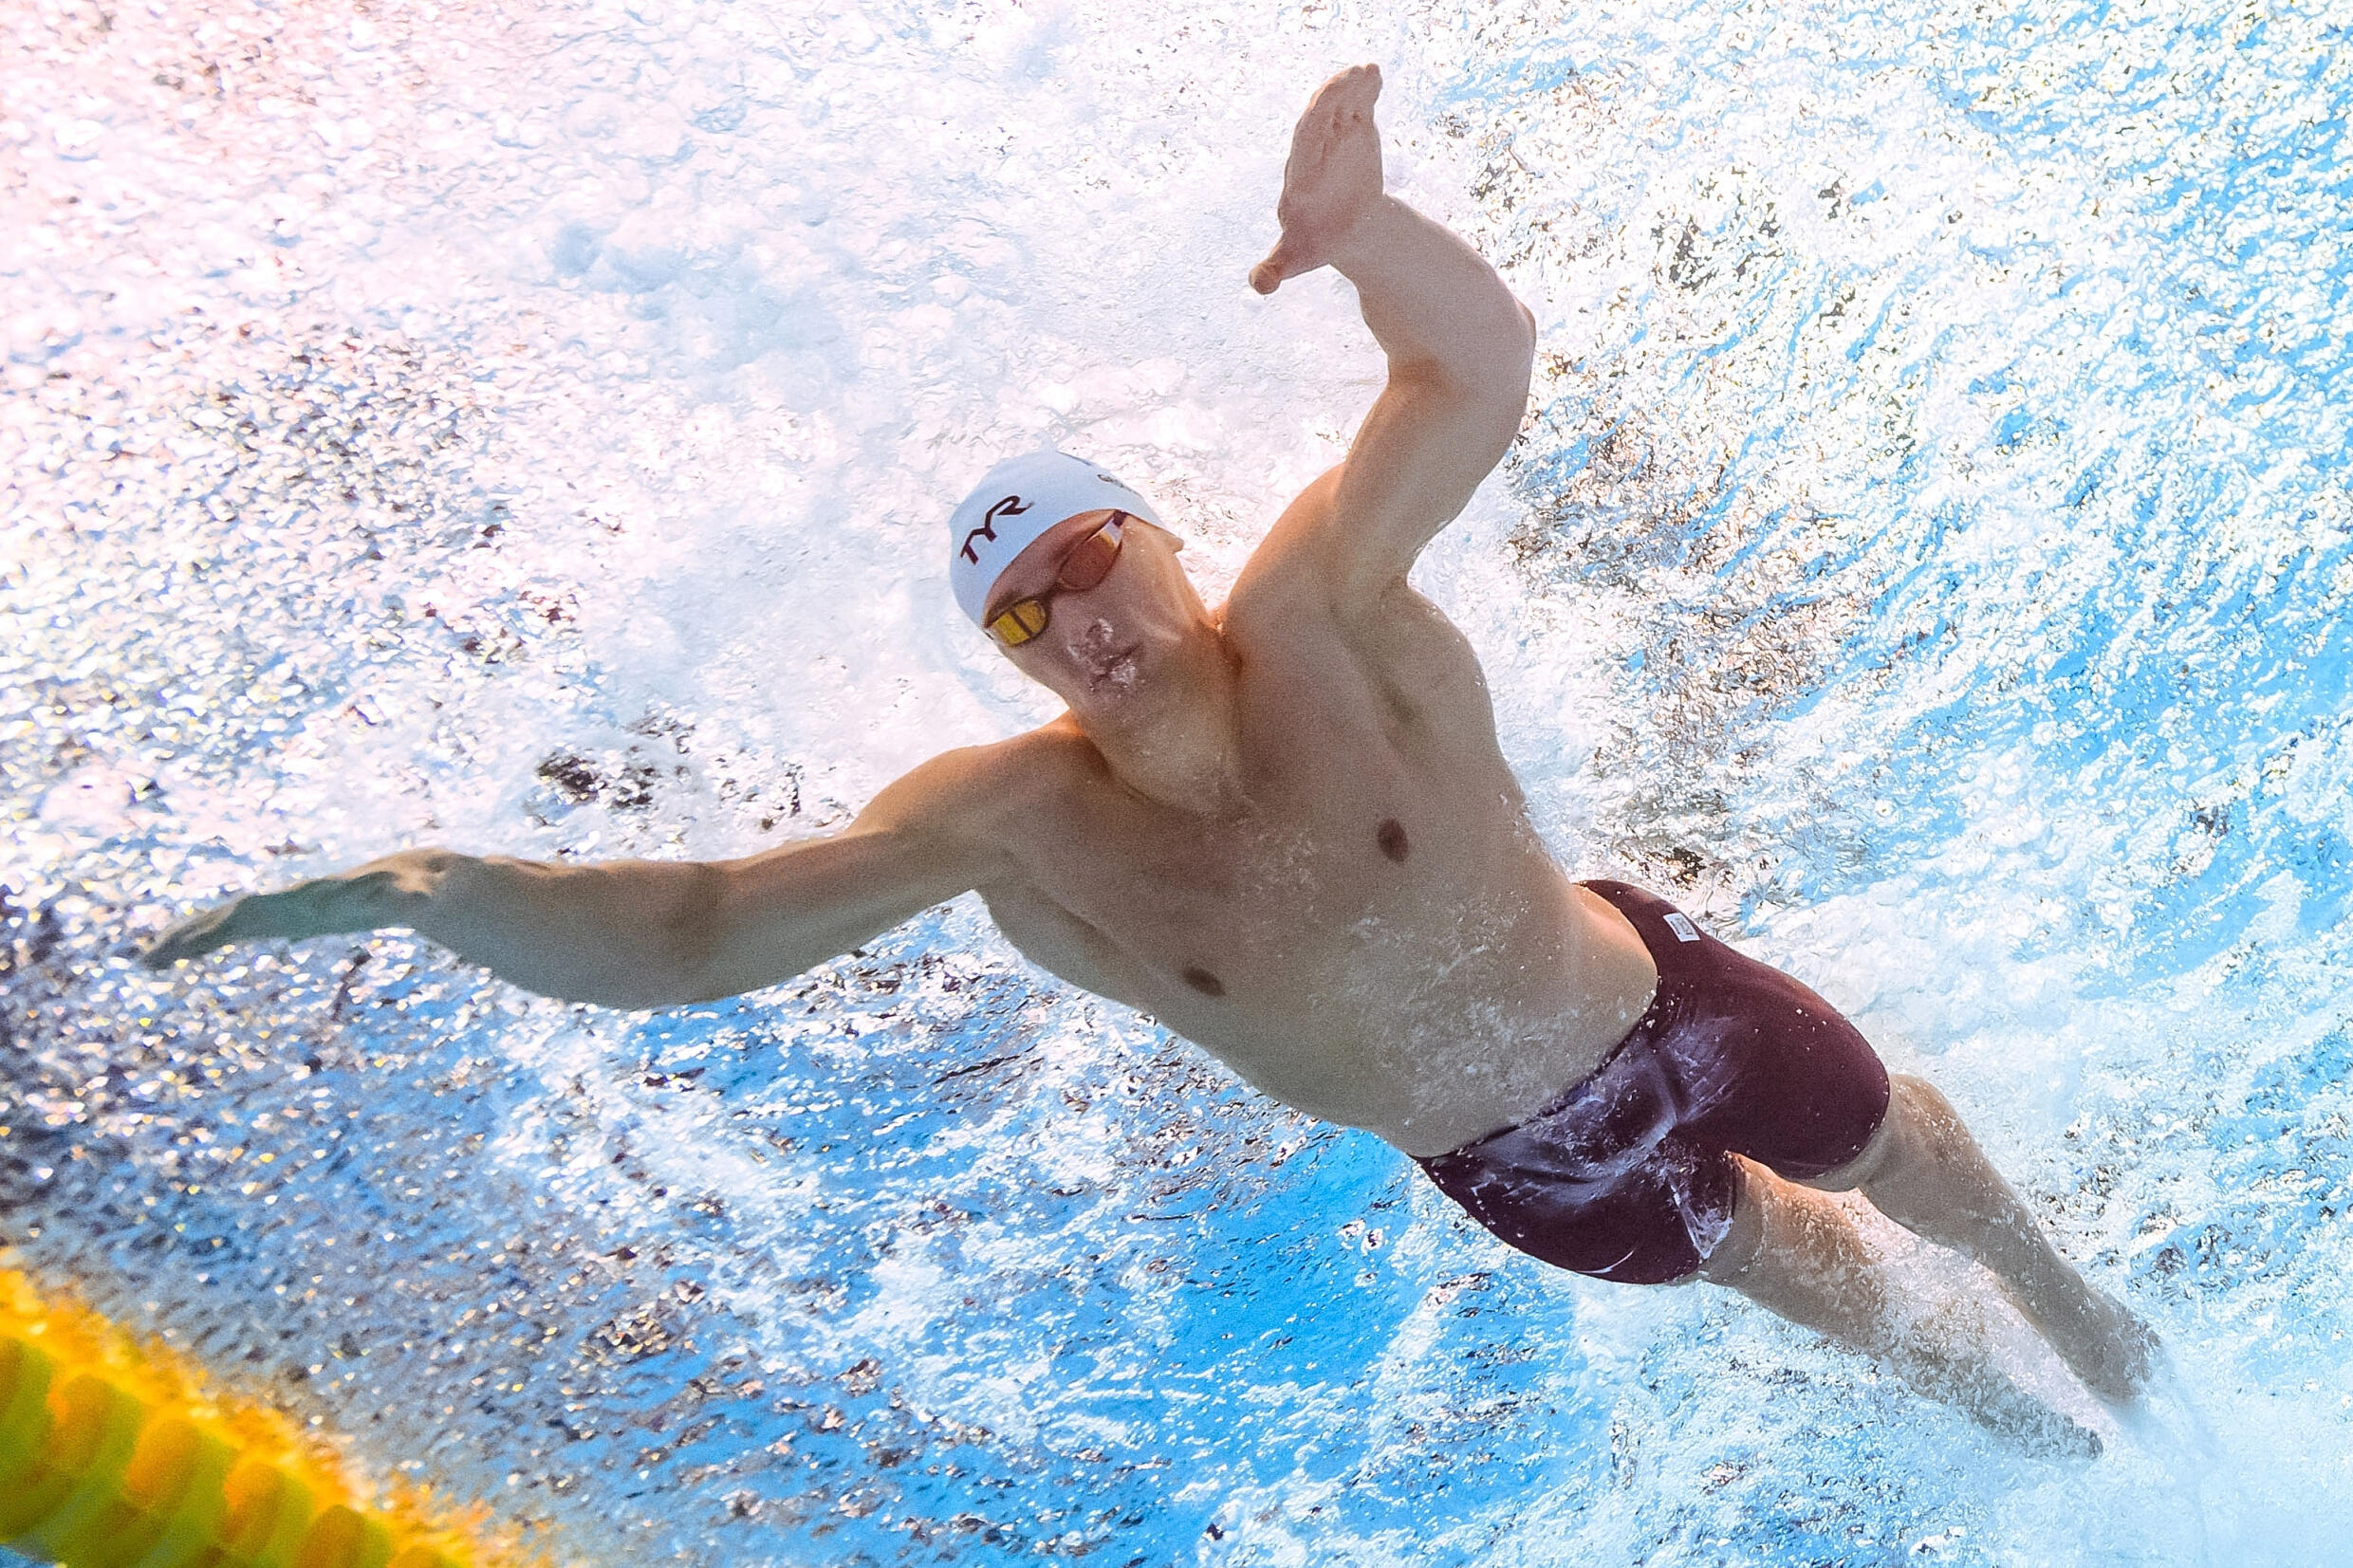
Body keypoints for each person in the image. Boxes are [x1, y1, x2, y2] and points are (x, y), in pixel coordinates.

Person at [140, 64, 2149, 1451]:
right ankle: (2029, 1444)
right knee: (1826, 1295)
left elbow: (1473, 371)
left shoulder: (1316, 605)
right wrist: (435, 894)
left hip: (1662, 1017)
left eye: (1089, 555)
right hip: (1515, 1166)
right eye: (1022, 611)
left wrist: (1364, 237)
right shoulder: (1009, 825)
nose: (1075, 617)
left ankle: (2092, 1327)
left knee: (1912, 1171)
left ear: (1158, 540)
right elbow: (690, 926)